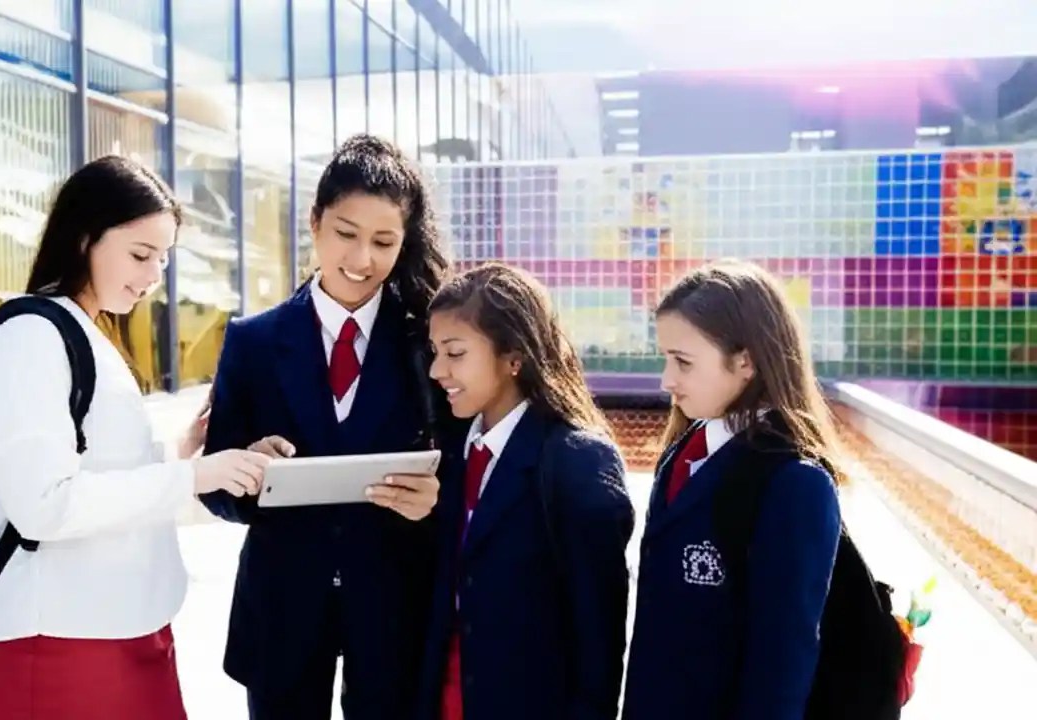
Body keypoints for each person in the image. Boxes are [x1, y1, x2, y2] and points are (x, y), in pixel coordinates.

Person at [0, 155, 270, 720]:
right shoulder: (30, 336)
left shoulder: (85, 333)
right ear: (83, 238)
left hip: (122, 628)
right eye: (140, 254)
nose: (155, 275)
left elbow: (99, 475)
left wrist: (186, 451)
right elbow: (43, 505)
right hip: (57, 641)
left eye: (164, 257)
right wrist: (192, 476)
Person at [199, 134, 452, 720]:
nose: (362, 259)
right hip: (283, 609)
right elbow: (213, 488)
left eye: (384, 242)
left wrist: (434, 502)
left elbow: (462, 464)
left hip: (393, 609)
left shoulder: (427, 341)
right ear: (314, 222)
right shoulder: (253, 342)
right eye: (346, 234)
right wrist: (243, 474)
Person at [622, 259, 844, 720]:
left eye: (683, 361)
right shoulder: (684, 453)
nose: (667, 380)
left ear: (745, 361)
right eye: (665, 358)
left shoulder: (794, 483)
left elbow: (782, 663)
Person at [416, 263, 635, 720]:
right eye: (435, 351)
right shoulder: (455, 452)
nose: (437, 369)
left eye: (455, 353)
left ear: (514, 357)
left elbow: (600, 633)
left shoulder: (576, 460)